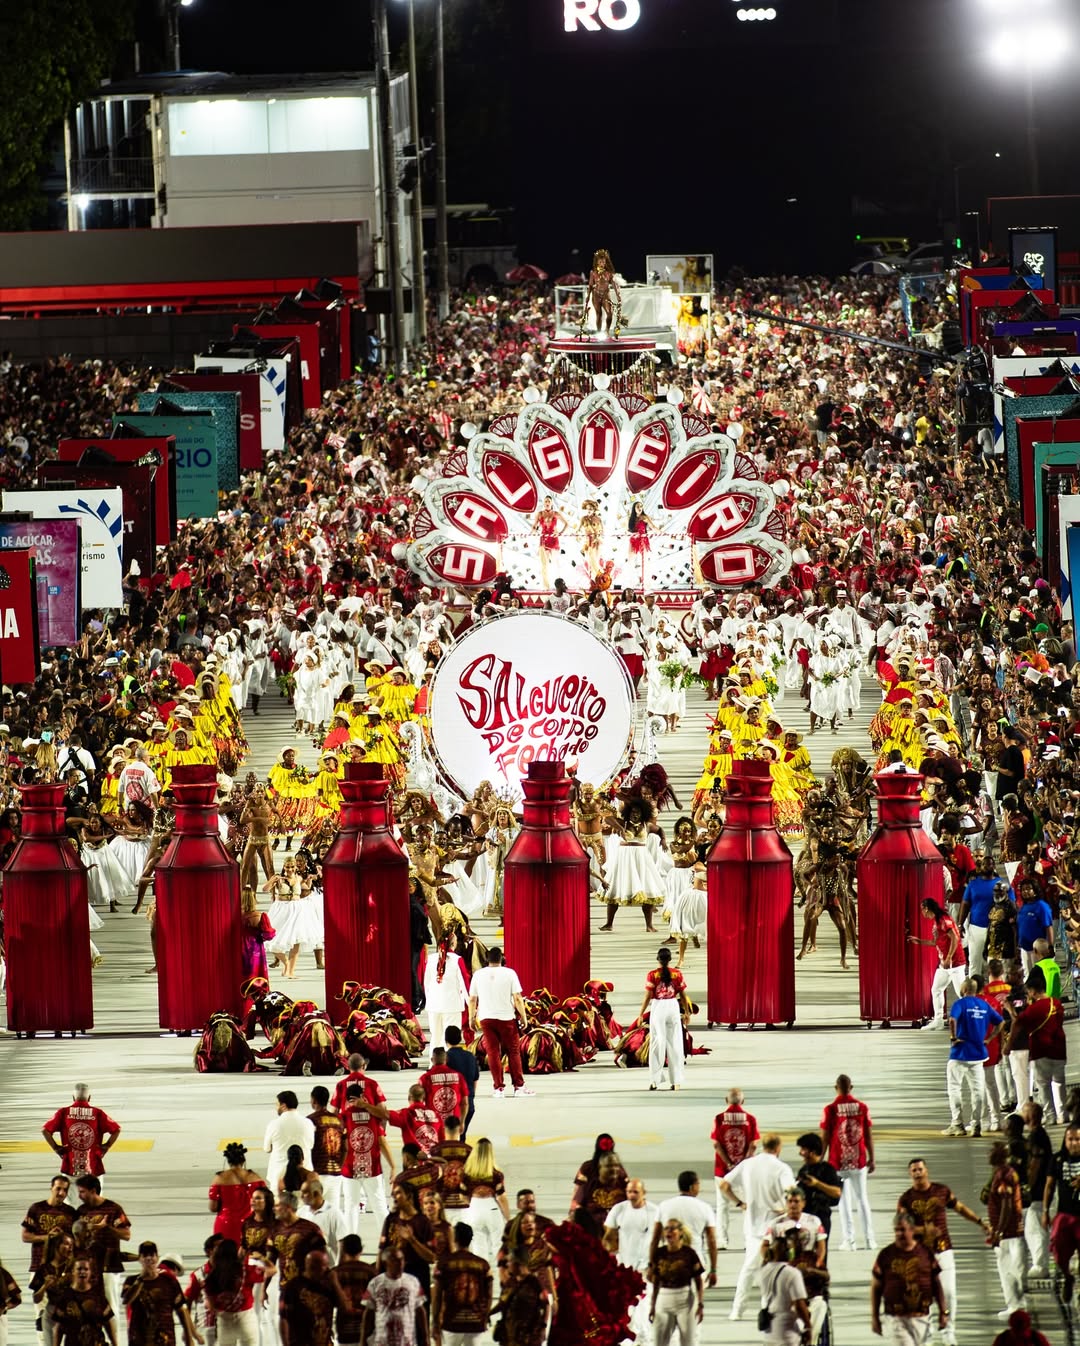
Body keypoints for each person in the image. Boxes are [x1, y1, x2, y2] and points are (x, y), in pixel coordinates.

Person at [896, 1156, 989, 1338]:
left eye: (920, 1169)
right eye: (914, 1170)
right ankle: (926, 1334)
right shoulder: (906, 1199)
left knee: (949, 1292)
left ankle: (949, 1331)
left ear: (926, 1171)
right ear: (910, 1174)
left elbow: (960, 1208)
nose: (918, 1173)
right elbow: (901, 1227)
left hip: (943, 1250)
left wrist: (980, 1222)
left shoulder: (941, 1191)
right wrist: (923, 1230)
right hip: (920, 1254)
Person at [718, 1135, 794, 1321]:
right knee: (775, 1268)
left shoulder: (748, 1164)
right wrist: (786, 1209)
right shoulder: (782, 1168)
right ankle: (768, 1307)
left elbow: (724, 1185)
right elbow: (791, 1192)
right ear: (778, 1148)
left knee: (749, 1268)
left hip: (752, 1224)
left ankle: (737, 1309)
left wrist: (739, 1203)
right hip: (776, 1224)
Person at [467, 947, 534, 1100]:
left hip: (486, 1018)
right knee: (513, 1052)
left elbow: (472, 999)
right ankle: (519, 1087)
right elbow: (517, 998)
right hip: (506, 1018)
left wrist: (471, 1018)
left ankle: (498, 1088)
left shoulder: (478, 975)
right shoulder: (510, 973)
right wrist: (524, 1017)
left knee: (493, 1052)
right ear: (501, 959)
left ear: (487, 959)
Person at [870, 1213, 948, 1344]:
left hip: (922, 1318)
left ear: (912, 1230)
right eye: (896, 1230)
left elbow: (936, 1284)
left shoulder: (925, 1253)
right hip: (896, 1319)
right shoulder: (886, 1255)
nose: (899, 1234)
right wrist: (875, 1317)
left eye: (902, 1230)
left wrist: (943, 1312)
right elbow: (876, 1287)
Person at [820, 1075, 876, 1252]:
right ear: (851, 1087)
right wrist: (872, 1157)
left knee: (844, 1202)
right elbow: (868, 1135)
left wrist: (820, 1159)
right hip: (859, 1161)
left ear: (835, 1088)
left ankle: (849, 1241)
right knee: (862, 1199)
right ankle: (870, 1240)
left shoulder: (830, 1109)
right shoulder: (862, 1107)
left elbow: (825, 1137)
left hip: (838, 1162)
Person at [944, 979, 1002, 1137]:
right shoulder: (984, 1005)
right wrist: (990, 1038)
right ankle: (976, 1125)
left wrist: (953, 1037)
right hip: (978, 1054)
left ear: (964, 989)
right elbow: (1000, 1022)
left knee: (954, 1088)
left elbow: (952, 1019)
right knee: (977, 1091)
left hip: (960, 1054)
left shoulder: (960, 1004)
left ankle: (957, 1124)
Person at [1007, 970, 1066, 1124]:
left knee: (1043, 1084)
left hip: (1041, 1049)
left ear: (1033, 991)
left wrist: (1008, 1044)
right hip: (1059, 1048)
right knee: (1059, 1082)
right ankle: (1063, 1113)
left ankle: (1050, 1115)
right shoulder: (1056, 1004)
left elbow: (1018, 1022)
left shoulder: (1034, 1008)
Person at [121, 1241, 200, 1346]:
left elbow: (181, 1310)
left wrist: (189, 1338)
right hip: (139, 1339)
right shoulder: (131, 1280)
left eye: (152, 1255)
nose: (149, 1258)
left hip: (165, 1339)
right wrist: (141, 1279)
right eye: (145, 1255)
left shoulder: (169, 1281)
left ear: (157, 1258)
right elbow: (127, 1300)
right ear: (140, 1259)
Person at [74, 1176, 131, 1321]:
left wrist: (106, 1228)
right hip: (87, 1269)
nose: (79, 1196)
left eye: (82, 1192)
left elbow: (126, 1235)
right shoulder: (81, 1211)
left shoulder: (113, 1209)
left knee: (110, 1307)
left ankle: (114, 1335)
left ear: (93, 1191)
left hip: (109, 1267)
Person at [711, 1088, 760, 1248]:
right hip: (744, 1172)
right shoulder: (750, 1119)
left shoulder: (719, 1119)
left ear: (726, 1100)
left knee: (722, 1205)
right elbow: (753, 1145)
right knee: (747, 1205)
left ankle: (722, 1240)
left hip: (722, 1170)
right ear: (742, 1101)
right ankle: (748, 1239)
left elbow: (716, 1144)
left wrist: (728, 1163)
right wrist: (743, 1163)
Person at [638, 946, 691, 1091]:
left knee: (657, 1042)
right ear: (670, 959)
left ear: (658, 959)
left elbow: (648, 996)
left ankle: (654, 1080)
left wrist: (641, 1013)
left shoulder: (652, 975)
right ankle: (676, 1081)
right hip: (673, 1006)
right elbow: (683, 995)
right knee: (675, 1043)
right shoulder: (677, 974)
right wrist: (687, 1012)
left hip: (658, 1007)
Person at [430, 1221, 491, 1346]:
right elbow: (488, 1294)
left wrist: (435, 1321)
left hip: (452, 1322)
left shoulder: (444, 1263)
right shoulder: (483, 1264)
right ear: (471, 1239)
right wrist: (485, 1315)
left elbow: (437, 1296)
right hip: (475, 1322)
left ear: (455, 1239)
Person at [42, 1085, 121, 1181]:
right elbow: (116, 1130)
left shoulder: (63, 1112)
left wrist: (56, 1148)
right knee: (94, 1191)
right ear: (89, 1098)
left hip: (70, 1167)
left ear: (73, 1097)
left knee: (70, 1190)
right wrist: (106, 1146)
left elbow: (45, 1130)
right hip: (93, 1168)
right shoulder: (98, 1113)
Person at [908, 897, 966, 1029]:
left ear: (926, 909)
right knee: (936, 989)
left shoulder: (943, 920)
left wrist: (949, 957)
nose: (922, 912)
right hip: (945, 964)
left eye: (922, 909)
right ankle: (938, 1020)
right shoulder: (937, 921)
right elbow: (936, 942)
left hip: (955, 963)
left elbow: (955, 938)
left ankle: (970, 1019)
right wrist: (919, 941)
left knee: (961, 993)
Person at [986, 1141, 1027, 1322]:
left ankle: (1014, 1306)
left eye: (991, 1152)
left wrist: (999, 1231)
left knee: (1007, 1271)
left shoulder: (1003, 1176)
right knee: (1015, 1269)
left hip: (1008, 1233)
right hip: (1013, 1232)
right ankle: (1019, 1304)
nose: (988, 1155)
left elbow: (1006, 1205)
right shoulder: (1008, 1172)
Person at [648, 1219, 704, 1346]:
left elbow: (698, 1281)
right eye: (666, 1229)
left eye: (672, 1229)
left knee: (688, 1341)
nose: (669, 1232)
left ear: (680, 1232)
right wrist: (653, 1305)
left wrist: (700, 1304)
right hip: (663, 1299)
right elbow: (656, 1281)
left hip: (685, 1300)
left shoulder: (689, 1253)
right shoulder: (659, 1253)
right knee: (659, 1341)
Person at [1042, 1123, 1080, 1299]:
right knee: (1058, 1249)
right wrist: (1045, 1211)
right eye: (1070, 1139)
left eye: (1077, 1139)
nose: (1074, 1143)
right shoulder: (1057, 1159)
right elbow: (1049, 1186)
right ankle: (1067, 1276)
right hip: (1064, 1215)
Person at [279, 1247, 344, 1346]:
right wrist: (286, 1343)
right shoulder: (293, 1287)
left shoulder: (328, 1286)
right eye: (324, 1267)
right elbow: (284, 1318)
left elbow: (345, 1307)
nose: (327, 1270)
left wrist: (335, 1283)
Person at [362, 1246, 426, 1346]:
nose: (399, 1263)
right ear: (385, 1263)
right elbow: (368, 1313)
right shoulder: (375, 1283)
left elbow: (420, 1310)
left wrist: (426, 1338)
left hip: (406, 1341)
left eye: (401, 1259)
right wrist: (363, 1339)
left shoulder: (413, 1282)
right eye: (394, 1260)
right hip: (382, 1341)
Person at [461, 1137, 510, 1268]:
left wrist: (471, 1205)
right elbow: (501, 1198)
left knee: (478, 1246)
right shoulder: (496, 1174)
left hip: (474, 1209)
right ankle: (501, 1273)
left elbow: (462, 1196)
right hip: (491, 1208)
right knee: (498, 1244)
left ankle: (482, 1273)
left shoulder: (467, 1174)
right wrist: (507, 1217)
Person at [379, 1184, 436, 1294]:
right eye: (393, 1193)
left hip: (417, 1277)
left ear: (409, 1196)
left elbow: (431, 1258)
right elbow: (381, 1250)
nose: (393, 1196)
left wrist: (412, 1240)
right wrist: (378, 1277)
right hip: (393, 1278)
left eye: (398, 1193)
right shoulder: (391, 1219)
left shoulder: (423, 1222)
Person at [200, 1237, 258, 1346]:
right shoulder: (246, 1270)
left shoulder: (212, 1277)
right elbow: (271, 1271)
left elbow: (211, 1307)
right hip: (246, 1318)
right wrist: (262, 1259)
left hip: (224, 1321)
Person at [755, 1233, 810, 1346]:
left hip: (769, 1332)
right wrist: (808, 1326)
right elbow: (799, 1306)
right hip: (787, 1334)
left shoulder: (761, 1272)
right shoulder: (792, 1273)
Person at [52, 1252, 116, 1345]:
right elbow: (58, 1327)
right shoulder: (65, 1296)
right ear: (73, 1271)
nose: (82, 1272)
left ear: (90, 1272)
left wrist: (115, 1343)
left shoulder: (98, 1295)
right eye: (79, 1269)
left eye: (86, 1269)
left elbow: (108, 1321)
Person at [209, 1143, 263, 1247]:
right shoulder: (255, 1177)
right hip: (250, 1224)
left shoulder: (219, 1178)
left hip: (225, 1224)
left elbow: (213, 1207)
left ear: (228, 1161)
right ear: (243, 1161)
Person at [21, 1175, 77, 1275]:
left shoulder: (71, 1212)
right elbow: (25, 1236)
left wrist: (62, 1237)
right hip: (39, 1266)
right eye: (58, 1188)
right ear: (51, 1188)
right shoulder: (36, 1208)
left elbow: (76, 1240)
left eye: (65, 1190)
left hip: (63, 1268)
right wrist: (48, 1237)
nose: (61, 1193)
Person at [263, 1092, 315, 1196]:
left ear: (283, 1105)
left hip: (279, 1175)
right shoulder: (308, 1123)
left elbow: (267, 1148)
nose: (276, 1107)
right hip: (303, 1175)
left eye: (277, 1104)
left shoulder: (274, 1124)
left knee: (280, 1205)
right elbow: (311, 1145)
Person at [1022, 1100, 1052, 1276]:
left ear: (1030, 1116)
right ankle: (1038, 1262)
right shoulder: (1038, 1134)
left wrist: (1028, 1186)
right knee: (1032, 1227)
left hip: (1037, 1189)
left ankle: (1041, 1265)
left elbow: (1035, 1164)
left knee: (1036, 1227)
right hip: (1039, 1188)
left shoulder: (1035, 1137)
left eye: (1024, 1111)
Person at [794, 1134, 842, 1244]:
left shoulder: (827, 1169)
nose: (800, 1153)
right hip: (804, 1218)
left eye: (803, 1149)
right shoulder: (803, 1170)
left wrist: (817, 1184)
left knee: (821, 1250)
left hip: (821, 1217)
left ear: (813, 1152)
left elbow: (837, 1192)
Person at [307, 1085, 347, 1215]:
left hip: (317, 1171)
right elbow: (345, 1148)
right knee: (332, 1213)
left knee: (312, 1213)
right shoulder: (339, 1120)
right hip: (335, 1173)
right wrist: (339, 1166)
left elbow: (307, 1146)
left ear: (313, 1100)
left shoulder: (311, 1120)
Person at [334, 1234, 376, 1346]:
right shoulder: (371, 1272)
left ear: (343, 1250)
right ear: (361, 1249)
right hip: (367, 1330)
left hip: (344, 1329)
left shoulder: (335, 1273)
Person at [444, 1026, 479, 1136]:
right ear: (460, 1039)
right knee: (461, 1136)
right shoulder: (470, 1056)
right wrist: (471, 1096)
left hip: (451, 1105)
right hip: (469, 1104)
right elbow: (475, 1080)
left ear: (445, 1040)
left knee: (449, 1137)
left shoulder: (445, 1058)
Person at [298, 1179, 343, 1265]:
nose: (301, 1196)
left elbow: (342, 1243)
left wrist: (339, 1267)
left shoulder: (334, 1214)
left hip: (327, 1267)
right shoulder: (301, 1212)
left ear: (316, 1194)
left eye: (305, 1192)